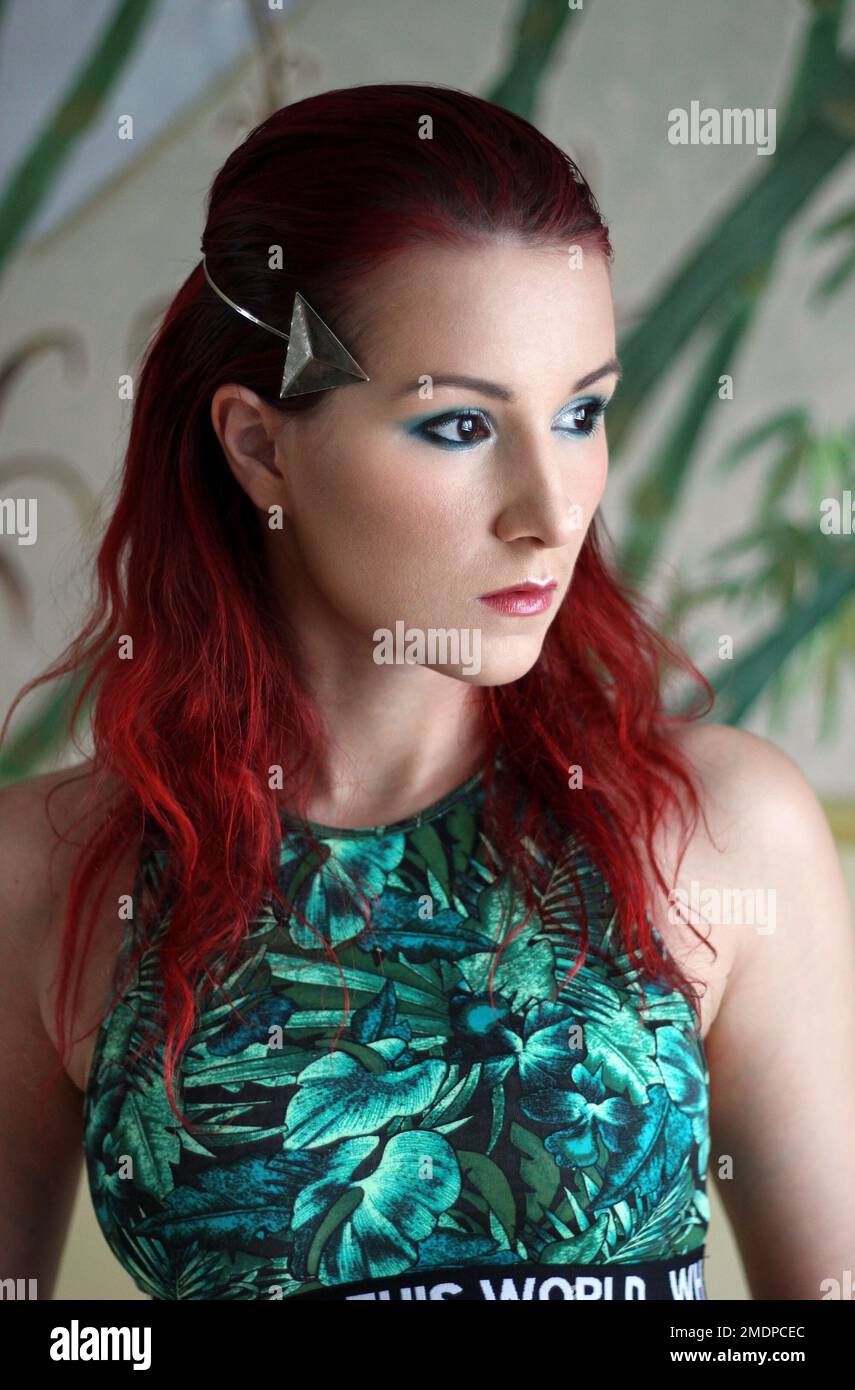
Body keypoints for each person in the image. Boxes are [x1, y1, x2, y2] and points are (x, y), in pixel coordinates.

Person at [1, 83, 852, 1303]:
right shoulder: (46, 878)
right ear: (260, 447)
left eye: (581, 414)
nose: (553, 510)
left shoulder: (721, 832)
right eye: (459, 426)